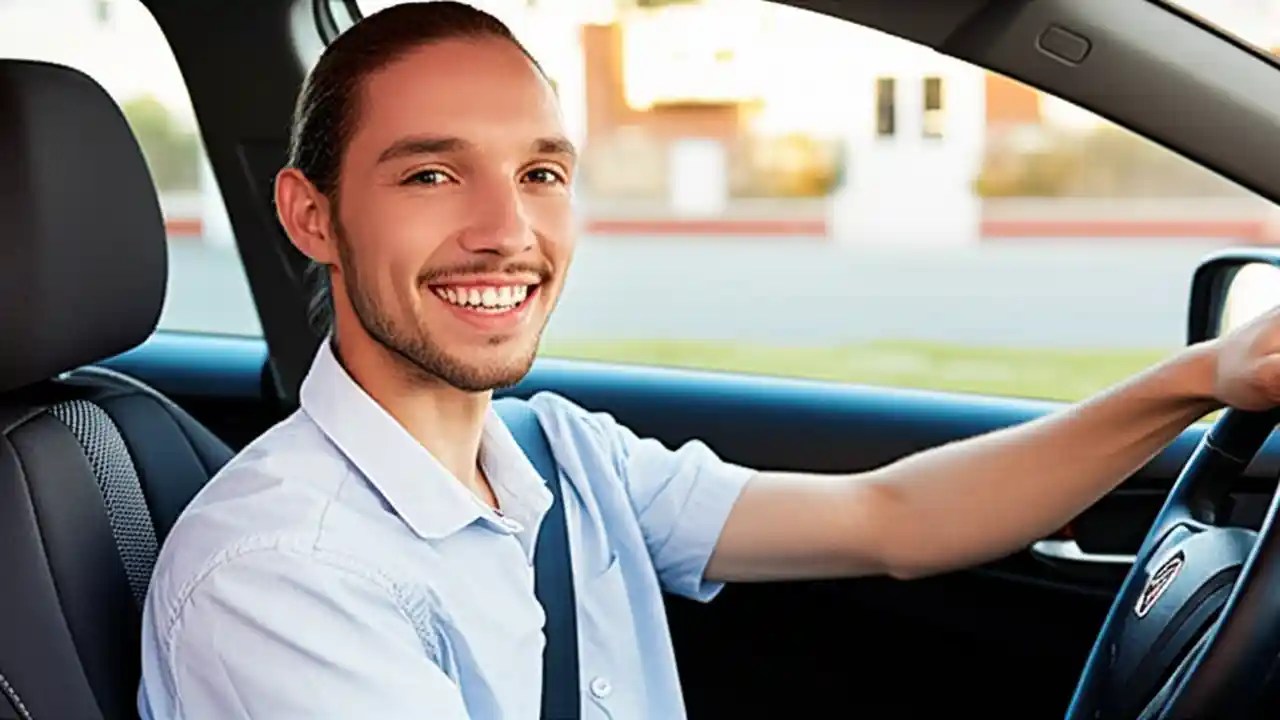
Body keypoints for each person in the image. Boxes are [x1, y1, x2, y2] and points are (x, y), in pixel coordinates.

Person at [136, 2, 1280, 718]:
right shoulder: (280, 577)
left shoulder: (553, 453)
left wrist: (1197, 379)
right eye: (431, 175)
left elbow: (888, 519)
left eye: (540, 174)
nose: (506, 231)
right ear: (310, 215)